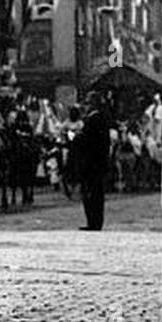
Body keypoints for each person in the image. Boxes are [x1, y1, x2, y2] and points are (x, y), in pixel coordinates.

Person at [74, 90, 110, 231]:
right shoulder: (101, 119)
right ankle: (95, 221)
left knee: (91, 194)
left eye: (88, 103)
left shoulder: (93, 120)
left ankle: (93, 222)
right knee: (96, 194)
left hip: (91, 163)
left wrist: (76, 137)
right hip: (98, 163)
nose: (86, 106)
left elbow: (87, 141)